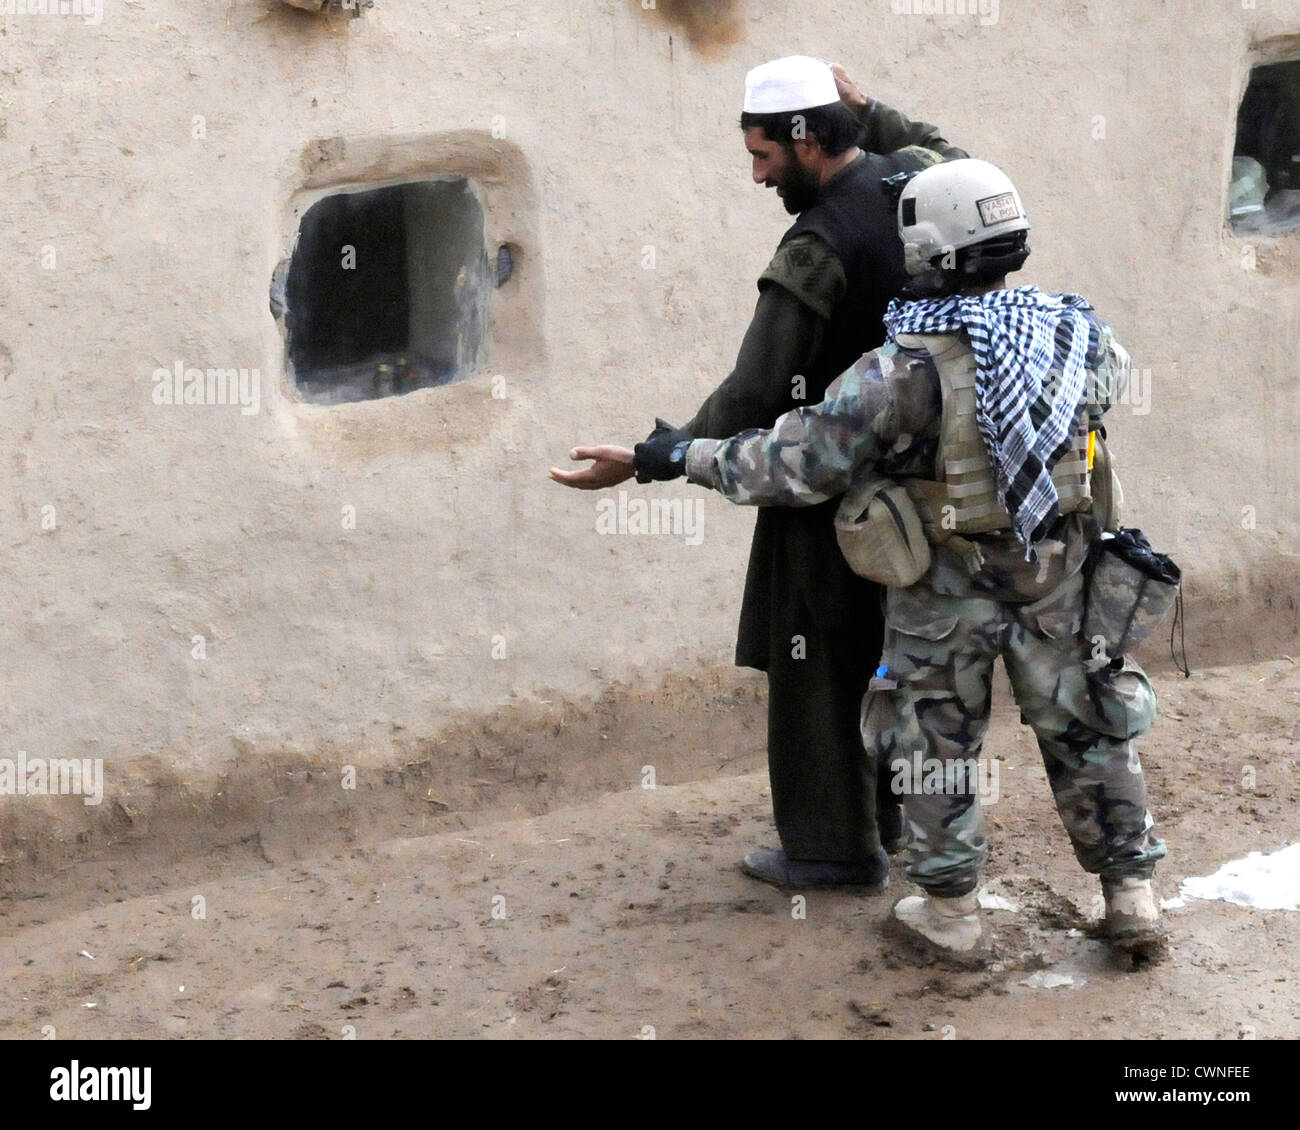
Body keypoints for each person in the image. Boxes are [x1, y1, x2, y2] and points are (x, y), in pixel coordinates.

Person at [625, 158, 1167, 958]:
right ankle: (1132, 899)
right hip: (1060, 579)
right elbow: (1106, 387)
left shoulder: (898, 373)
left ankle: (950, 916)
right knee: (1090, 732)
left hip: (944, 595)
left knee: (934, 746)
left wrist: (677, 457)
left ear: (927, 252)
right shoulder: (1076, 334)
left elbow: (789, 464)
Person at [552, 56, 967, 891]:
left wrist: (654, 456)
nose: (757, 175)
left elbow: (754, 389)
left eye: (765, 155)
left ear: (806, 138)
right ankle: (893, 826)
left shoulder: (815, 247)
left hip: (826, 495)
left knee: (816, 669)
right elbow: (953, 155)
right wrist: (873, 109)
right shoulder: (916, 187)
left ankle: (832, 851)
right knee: (899, 660)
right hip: (930, 497)